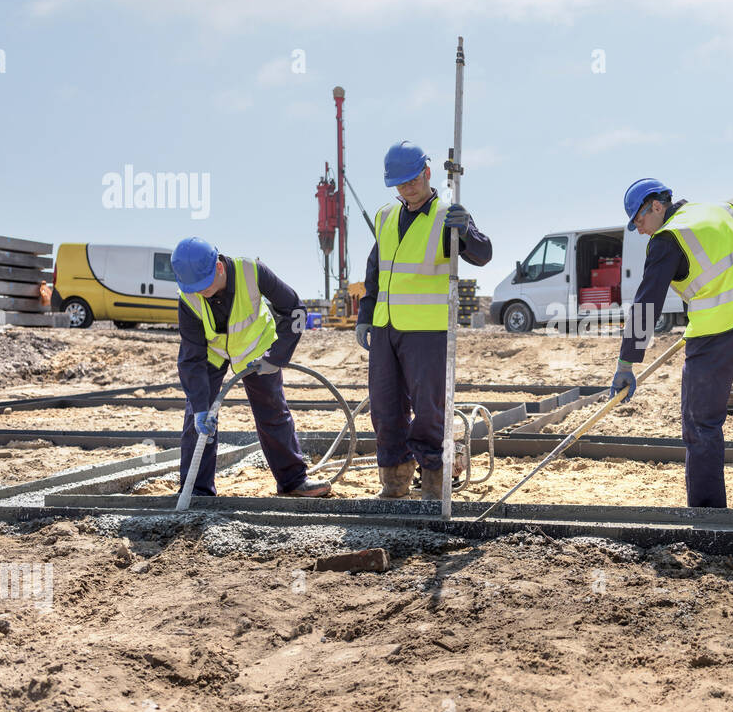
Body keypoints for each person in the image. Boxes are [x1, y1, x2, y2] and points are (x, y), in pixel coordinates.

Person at [609, 178, 733, 510]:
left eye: (639, 221)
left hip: (714, 332)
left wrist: (626, 363)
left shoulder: (668, 238)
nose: (640, 231)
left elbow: (647, 304)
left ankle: (709, 518)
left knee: (702, 425)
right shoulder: (721, 210)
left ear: (656, 206)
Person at [355, 140, 493, 500]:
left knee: (430, 408)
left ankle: (434, 478)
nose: (407, 188)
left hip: (428, 329)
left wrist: (467, 232)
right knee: (385, 407)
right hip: (386, 328)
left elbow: (483, 255)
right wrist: (365, 316)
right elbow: (375, 270)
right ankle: (395, 479)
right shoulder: (386, 216)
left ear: (427, 173)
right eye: (399, 183)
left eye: (412, 180)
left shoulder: (448, 214)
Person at [172, 236, 330, 498]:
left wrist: (276, 358)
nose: (200, 292)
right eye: (195, 287)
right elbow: (191, 357)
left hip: (256, 349)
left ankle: (293, 481)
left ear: (219, 268)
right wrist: (200, 408)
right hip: (212, 353)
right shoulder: (188, 297)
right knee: (197, 419)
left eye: (204, 285)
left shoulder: (252, 271)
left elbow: (295, 310)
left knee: (273, 412)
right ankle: (197, 492)